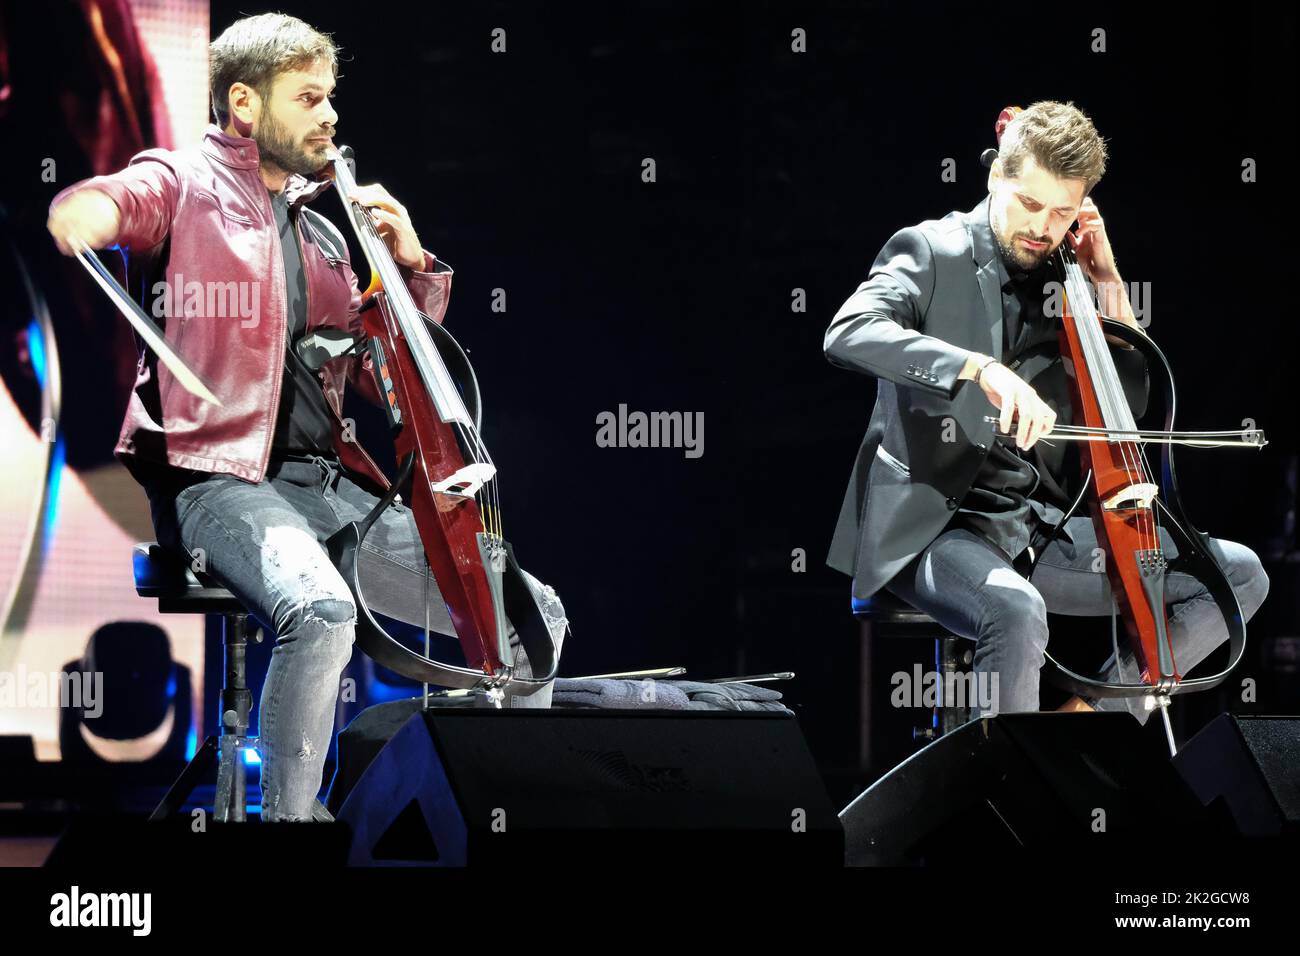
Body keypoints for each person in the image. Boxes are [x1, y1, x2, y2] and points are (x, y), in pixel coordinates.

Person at [46, 13, 567, 821]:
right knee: (322, 613)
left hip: (328, 490)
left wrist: (411, 269)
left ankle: (484, 805)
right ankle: (292, 828)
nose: (330, 115)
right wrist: (92, 210)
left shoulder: (325, 235)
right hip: (218, 480)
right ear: (245, 104)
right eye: (309, 97)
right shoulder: (187, 186)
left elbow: (390, 377)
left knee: (532, 617)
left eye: (332, 98)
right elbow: (126, 197)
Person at [824, 100, 1267, 724]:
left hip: (1038, 530)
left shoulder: (1072, 277)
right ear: (995, 179)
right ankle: (1004, 798)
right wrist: (980, 370)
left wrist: (1106, 276)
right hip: (934, 525)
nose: (1043, 226)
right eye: (1029, 204)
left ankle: (1079, 727)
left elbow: (1126, 409)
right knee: (1015, 608)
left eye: (1062, 213)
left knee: (1239, 579)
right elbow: (849, 331)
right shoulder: (931, 249)